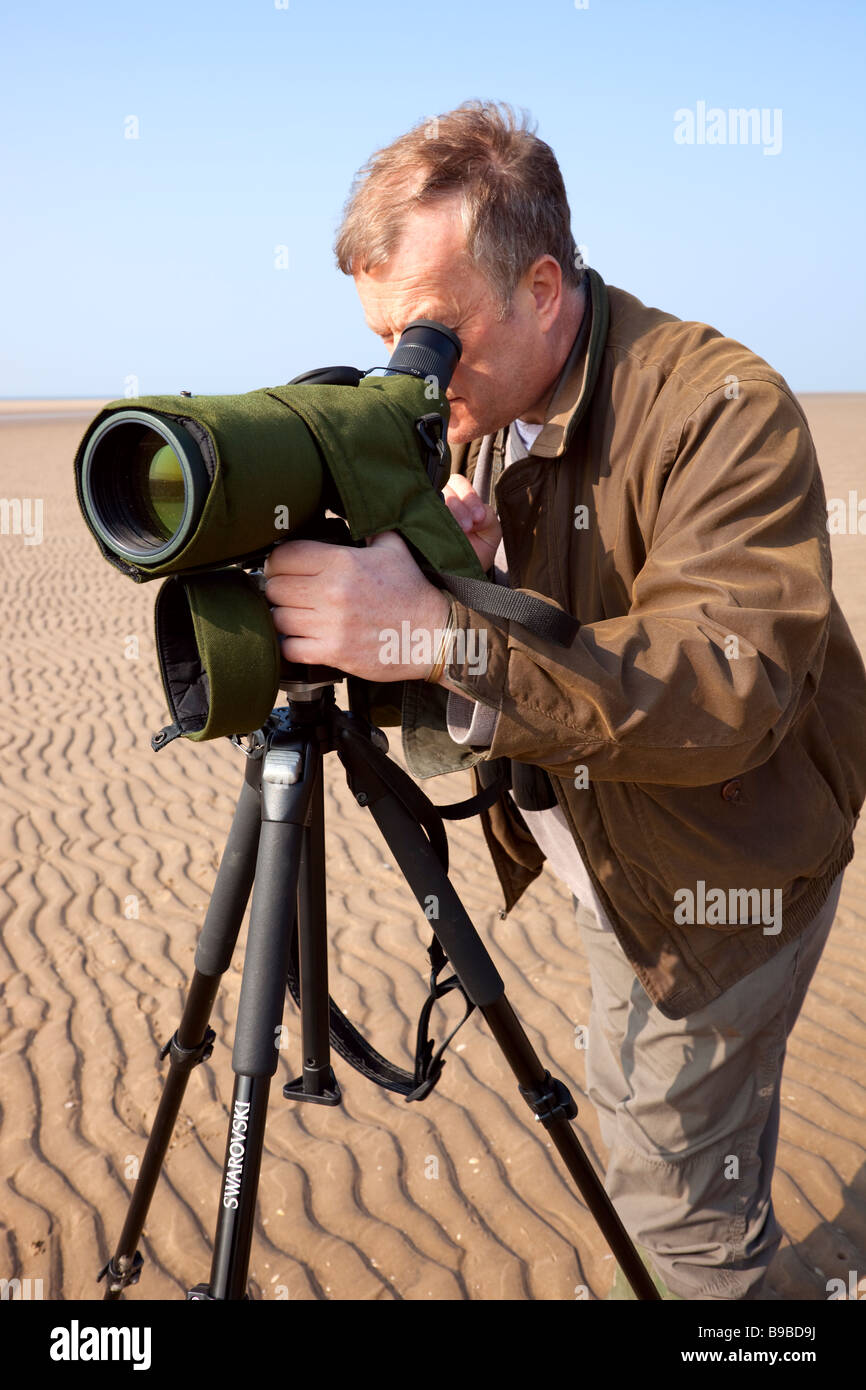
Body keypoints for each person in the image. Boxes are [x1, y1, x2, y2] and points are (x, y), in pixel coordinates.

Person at [262, 101, 866, 1300]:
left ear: (542, 286)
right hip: (612, 847)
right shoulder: (486, 413)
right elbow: (535, 656)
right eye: (386, 344)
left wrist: (436, 631)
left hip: (723, 872)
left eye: (429, 342)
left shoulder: (717, 410)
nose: (411, 387)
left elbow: (722, 688)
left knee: (679, 1215)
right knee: (695, 1143)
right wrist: (473, 583)